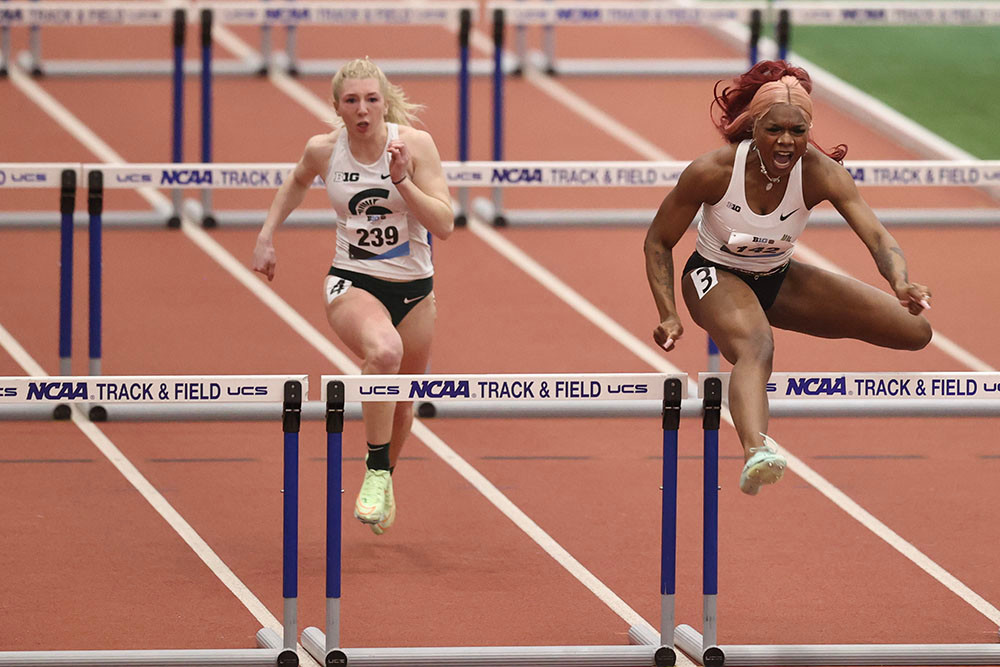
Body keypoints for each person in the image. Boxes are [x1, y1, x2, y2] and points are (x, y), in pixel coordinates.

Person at [643, 60, 932, 496]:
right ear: (753, 127)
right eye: (774, 130)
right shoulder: (714, 171)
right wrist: (668, 314)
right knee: (756, 347)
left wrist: (901, 282)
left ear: (808, 131)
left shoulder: (821, 172)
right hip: (713, 274)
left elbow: (876, 235)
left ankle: (756, 324)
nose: (786, 142)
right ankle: (757, 450)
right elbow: (658, 242)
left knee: (915, 331)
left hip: (777, 277)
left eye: (798, 132)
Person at [252, 58, 454, 533]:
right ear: (337, 107)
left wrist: (402, 178)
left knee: (402, 403)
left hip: (415, 289)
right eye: (352, 101)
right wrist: (266, 235)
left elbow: (444, 225)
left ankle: (382, 477)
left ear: (385, 103)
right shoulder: (325, 151)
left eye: (371, 99)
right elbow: (297, 180)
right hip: (353, 281)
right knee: (384, 353)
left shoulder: (416, 146)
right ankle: (376, 469)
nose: (362, 110)